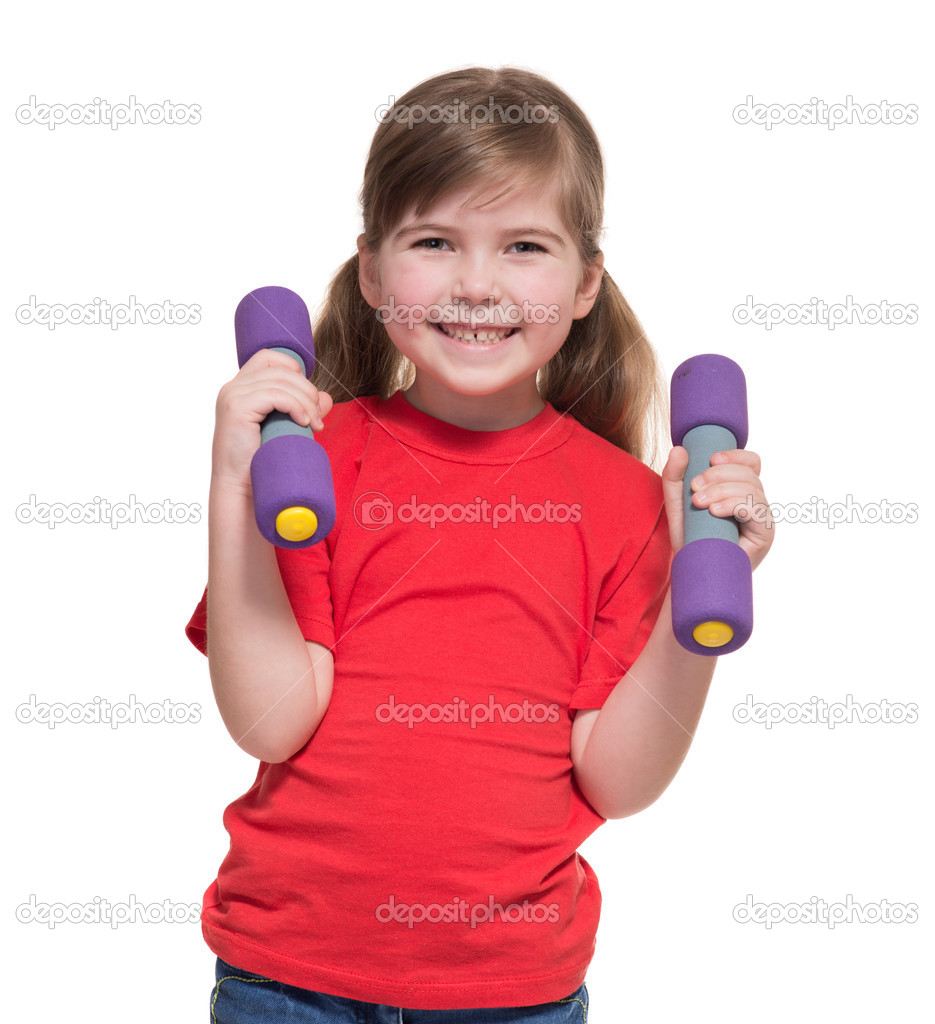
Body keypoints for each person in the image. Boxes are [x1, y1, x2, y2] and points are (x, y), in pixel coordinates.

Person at [186, 65, 773, 1023]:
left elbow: (616, 782)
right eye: (433, 241)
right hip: (290, 976)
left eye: (524, 246)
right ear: (372, 271)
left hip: (512, 989)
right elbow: (269, 724)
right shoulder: (314, 463)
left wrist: (692, 594)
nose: (475, 284)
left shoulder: (630, 506)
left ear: (584, 284)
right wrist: (233, 484)